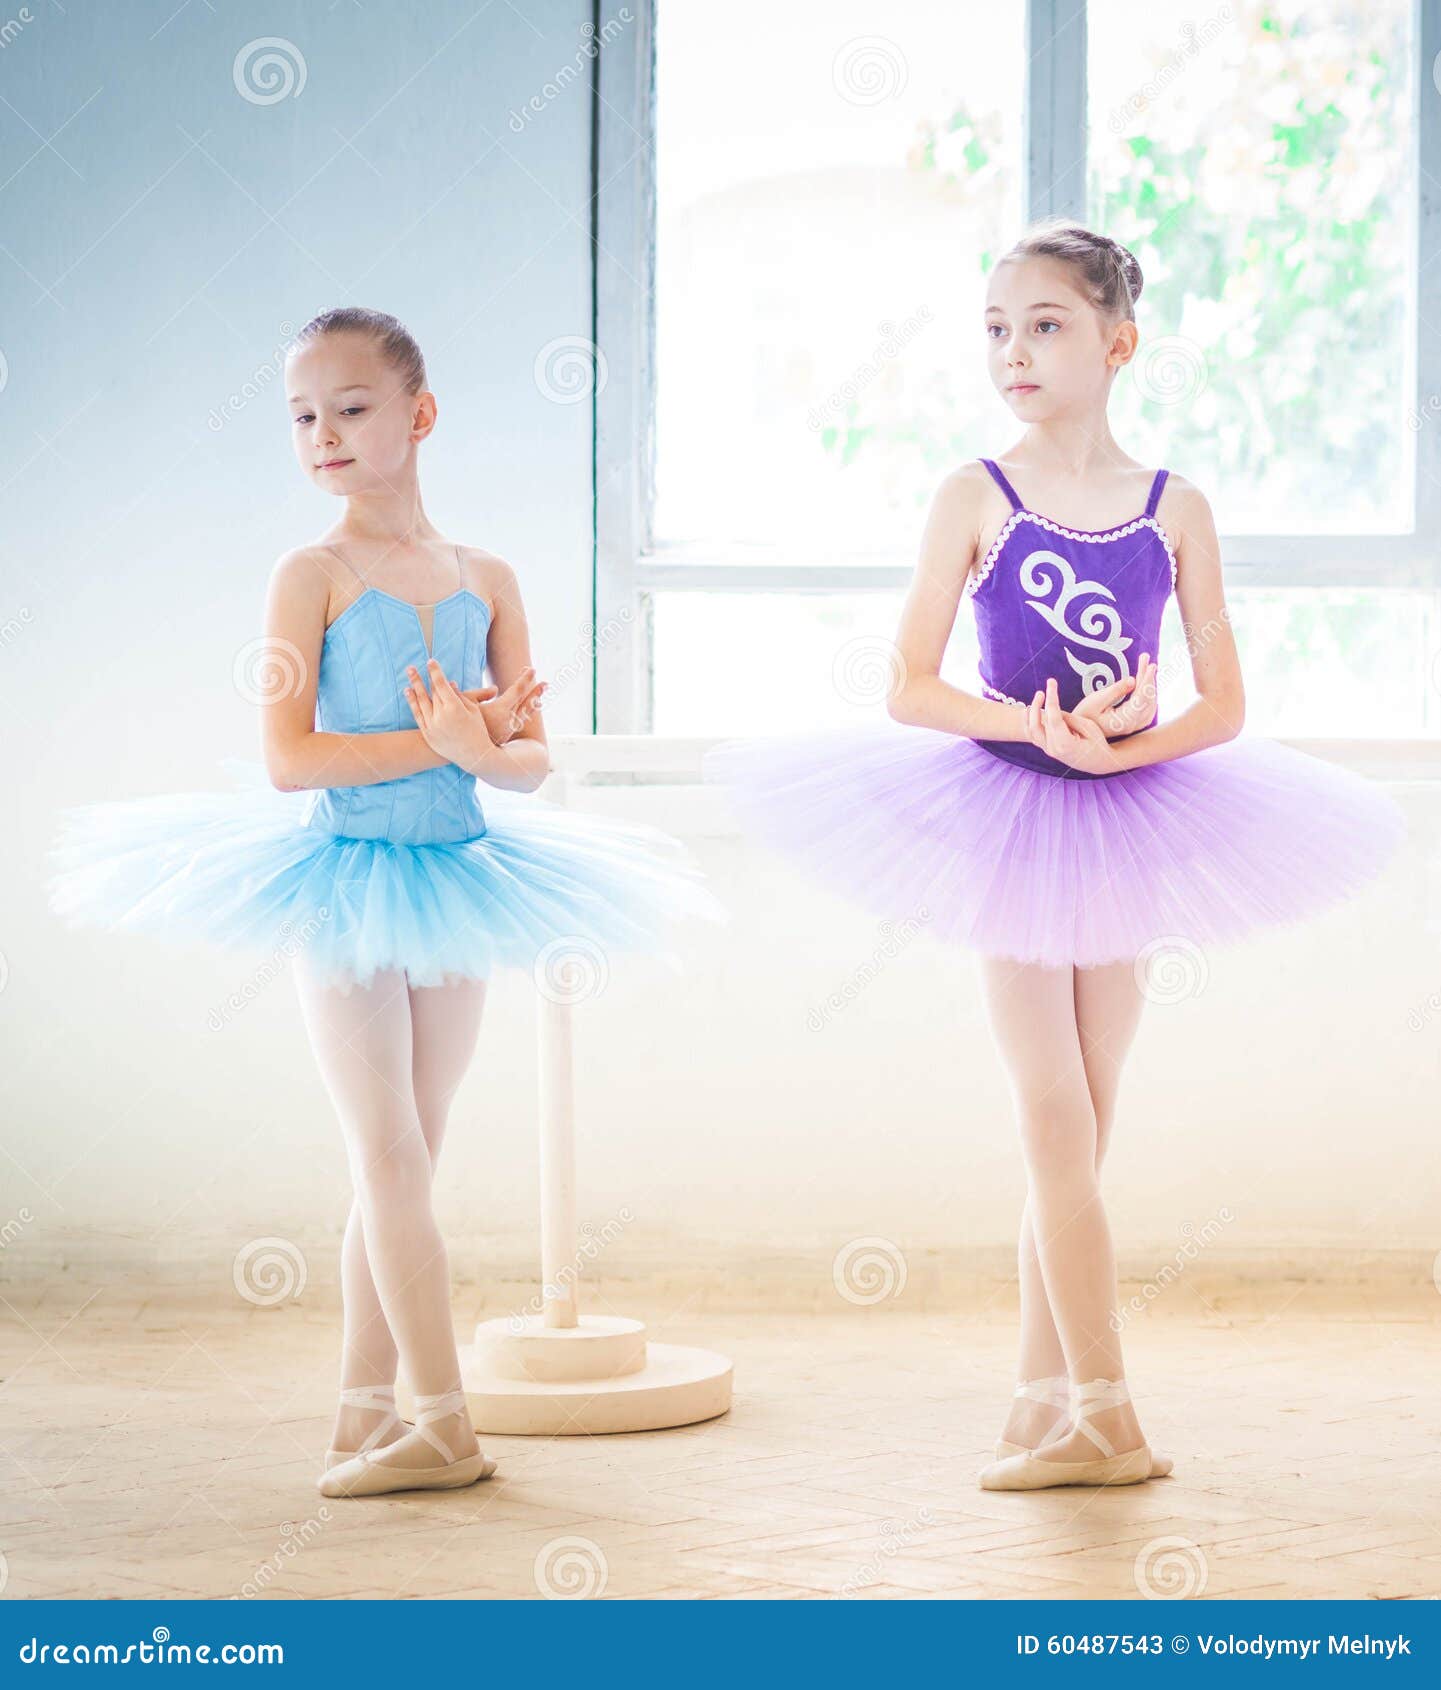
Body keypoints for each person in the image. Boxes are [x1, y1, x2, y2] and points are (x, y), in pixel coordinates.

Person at [704, 219, 1406, 1491]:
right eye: (995, 328)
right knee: (1050, 1115)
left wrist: (1124, 748)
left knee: (1085, 1126)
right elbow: (910, 686)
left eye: (1044, 325)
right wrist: (1031, 728)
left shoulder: (1173, 506)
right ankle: (1106, 1410)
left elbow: (1223, 704)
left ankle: (1041, 1397)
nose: (1013, 351)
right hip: (1007, 818)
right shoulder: (975, 493)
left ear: (1117, 342)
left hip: (1128, 820)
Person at [46, 306, 724, 1500]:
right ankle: (444, 1424)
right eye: (303, 415)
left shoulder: (488, 578)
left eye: (351, 407)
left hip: (458, 880)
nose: (323, 433)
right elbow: (290, 758)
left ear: (419, 415)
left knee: (408, 1156)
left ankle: (363, 1413)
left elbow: (523, 761)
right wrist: (436, 739)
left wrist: (481, 742)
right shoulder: (307, 574)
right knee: (389, 1154)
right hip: (346, 881)